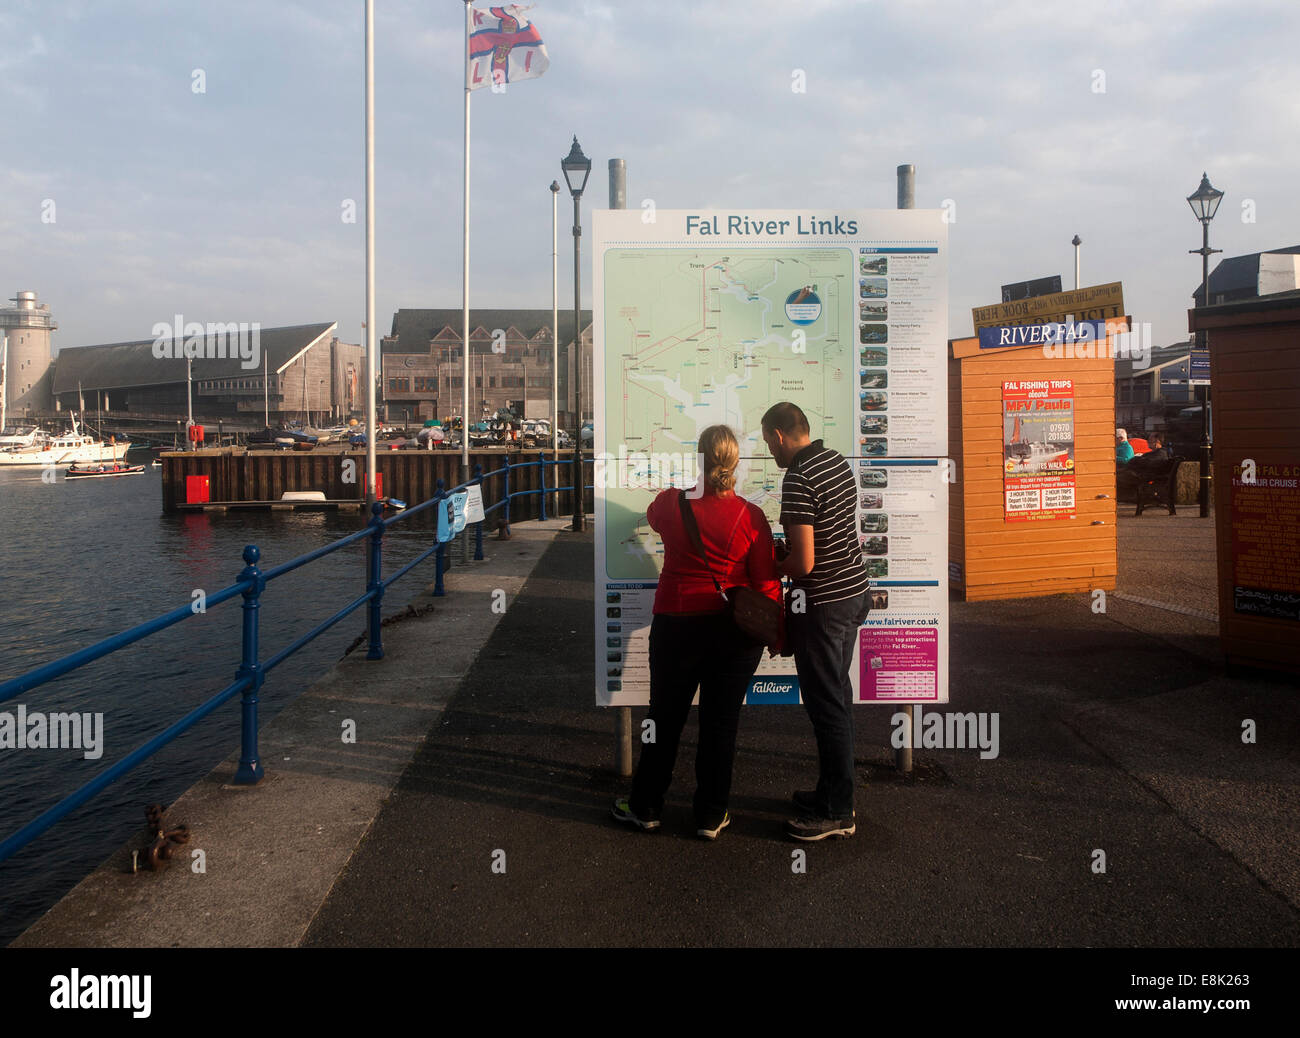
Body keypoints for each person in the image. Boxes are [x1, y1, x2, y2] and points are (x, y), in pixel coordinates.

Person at [612, 425, 782, 839]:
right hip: (732, 635)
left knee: (664, 719)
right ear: (736, 463)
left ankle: (646, 807)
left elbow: (652, 518)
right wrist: (777, 632)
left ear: (699, 458)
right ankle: (710, 815)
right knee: (721, 724)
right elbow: (764, 582)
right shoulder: (751, 515)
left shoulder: (673, 502)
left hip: (676, 626)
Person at [761, 402, 871, 841]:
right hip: (853, 593)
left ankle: (837, 811)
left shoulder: (799, 476)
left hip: (824, 605)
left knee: (826, 705)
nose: (769, 450)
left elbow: (803, 562)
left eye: (768, 441)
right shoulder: (836, 462)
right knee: (837, 698)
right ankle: (830, 792)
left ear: (779, 436)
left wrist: (772, 564)